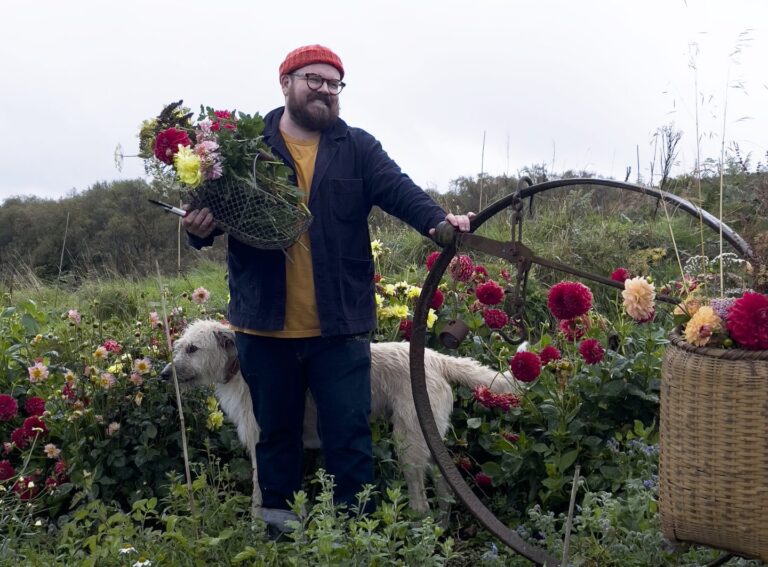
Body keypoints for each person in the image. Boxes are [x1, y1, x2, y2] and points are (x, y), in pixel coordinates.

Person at [183, 44, 473, 534]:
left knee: (349, 439)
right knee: (276, 439)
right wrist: (198, 227)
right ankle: (281, 536)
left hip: (339, 329)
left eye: (333, 83)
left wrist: (438, 222)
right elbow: (207, 214)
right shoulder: (244, 150)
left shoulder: (357, 147)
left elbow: (399, 189)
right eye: (312, 79)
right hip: (264, 328)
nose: (324, 90)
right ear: (286, 84)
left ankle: (355, 540)